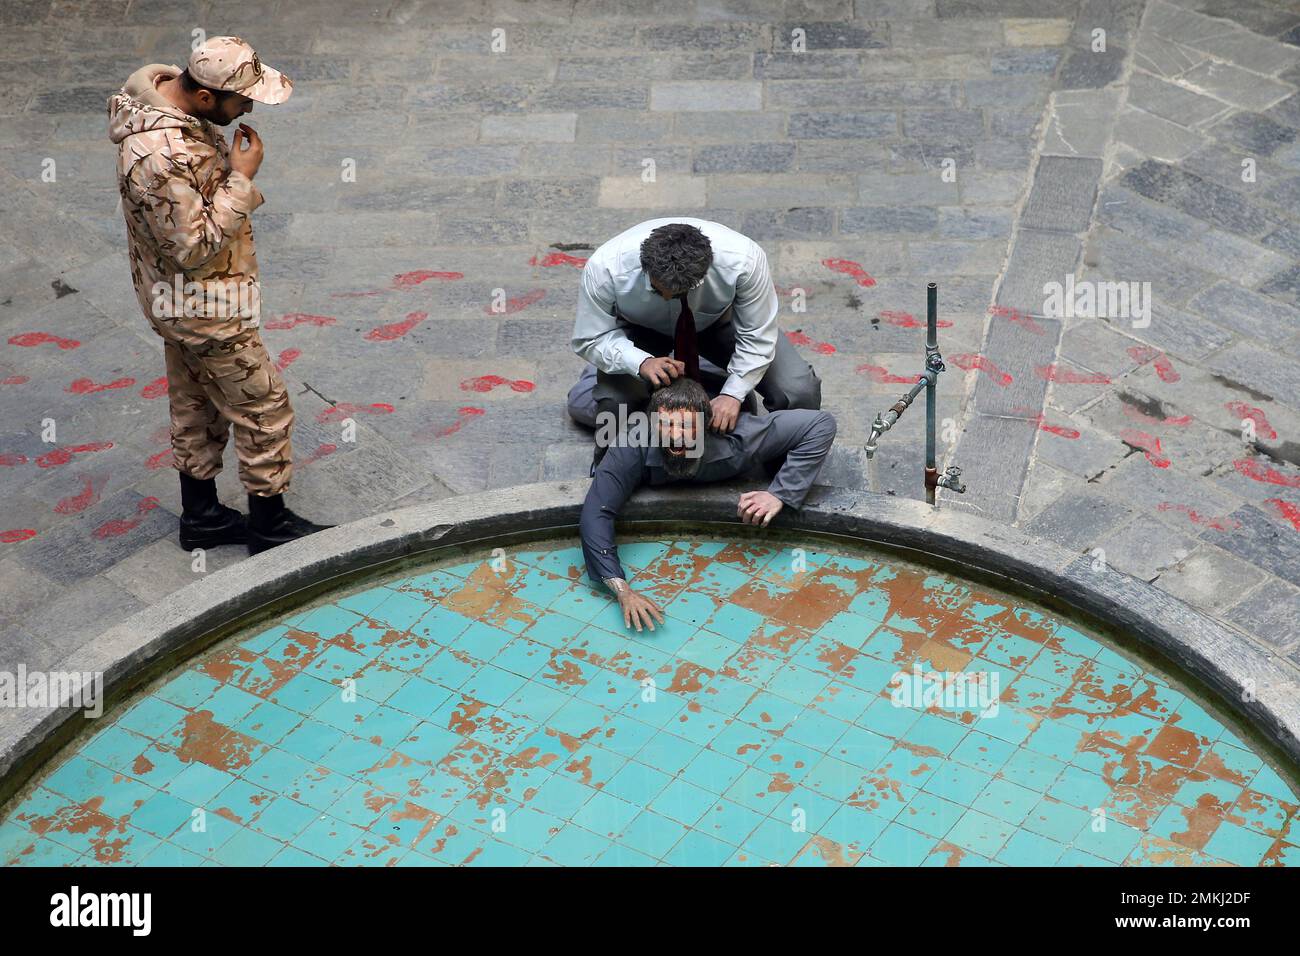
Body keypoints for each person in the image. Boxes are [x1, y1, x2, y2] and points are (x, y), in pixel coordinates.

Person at [108, 36, 329, 555]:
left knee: (196, 403)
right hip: (206, 307)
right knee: (265, 408)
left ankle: (202, 516)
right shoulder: (161, 154)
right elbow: (193, 245)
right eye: (242, 99)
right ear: (205, 98)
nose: (249, 106)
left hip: (176, 301)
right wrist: (242, 179)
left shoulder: (165, 106)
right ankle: (270, 527)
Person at [579, 375, 837, 632]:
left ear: (705, 425)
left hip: (719, 376)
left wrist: (780, 493)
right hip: (642, 383)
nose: (676, 436)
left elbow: (821, 424)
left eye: (687, 426)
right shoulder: (630, 445)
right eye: (667, 425)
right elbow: (596, 514)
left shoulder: (742, 438)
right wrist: (623, 591)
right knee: (587, 404)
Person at [570, 218, 823, 470]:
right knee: (614, 403)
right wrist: (639, 361)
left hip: (717, 322)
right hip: (639, 329)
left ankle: (783, 468)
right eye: (658, 292)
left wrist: (733, 394)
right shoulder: (605, 268)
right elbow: (590, 337)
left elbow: (757, 334)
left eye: (681, 292)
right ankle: (608, 470)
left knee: (798, 388)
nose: (669, 298)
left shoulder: (745, 260)